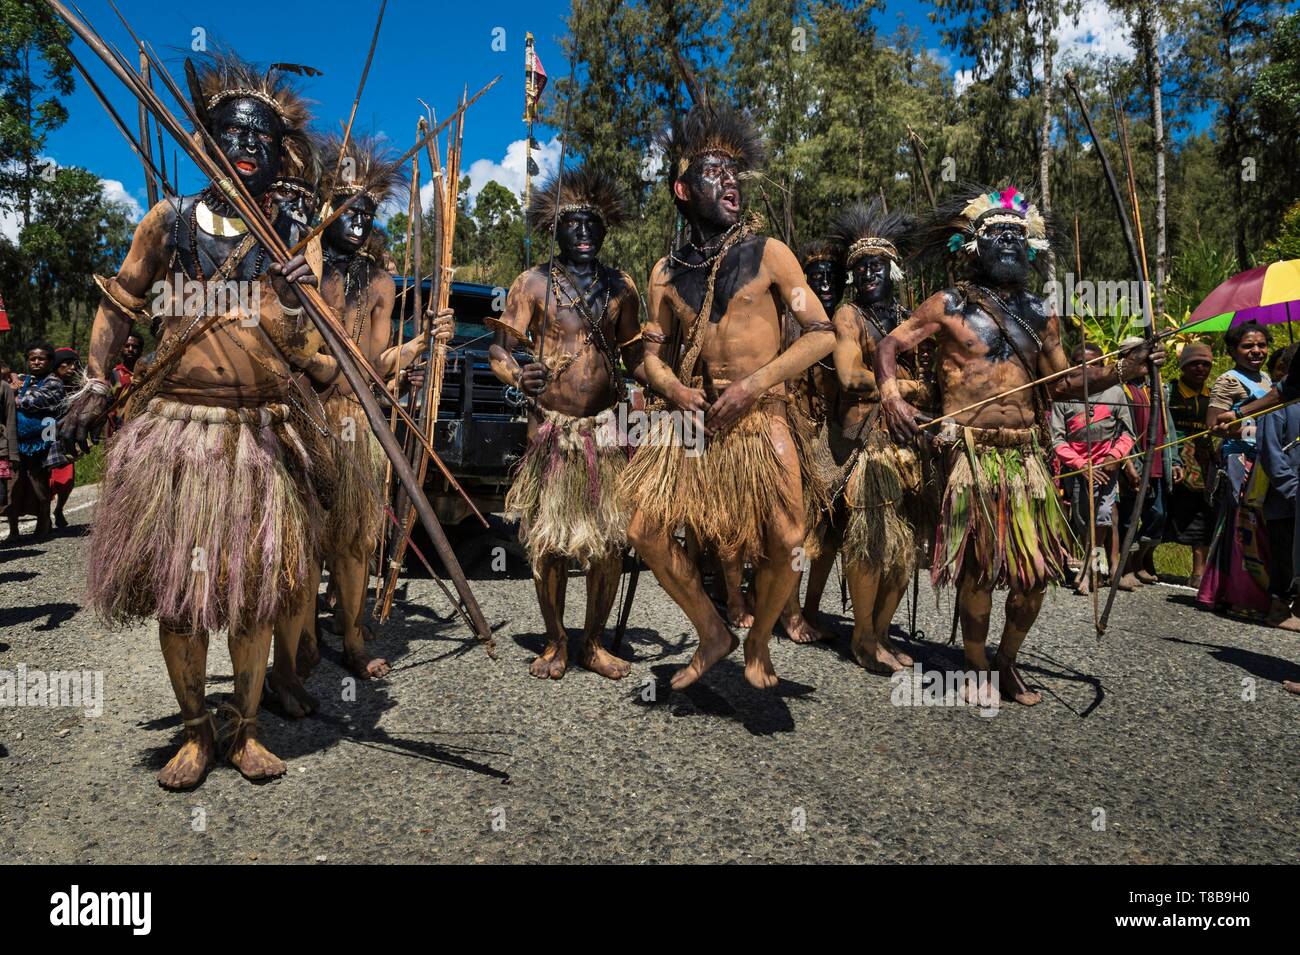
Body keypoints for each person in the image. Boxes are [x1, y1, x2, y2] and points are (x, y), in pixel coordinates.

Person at [61, 51, 325, 789]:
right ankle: (192, 731)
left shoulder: (291, 240)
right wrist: (92, 379)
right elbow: (121, 303)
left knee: (253, 593)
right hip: (178, 434)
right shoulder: (168, 221)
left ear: (281, 156)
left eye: (262, 141)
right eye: (233, 137)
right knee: (181, 595)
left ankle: (245, 729)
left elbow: (310, 351)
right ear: (207, 144)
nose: (246, 149)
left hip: (256, 436)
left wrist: (296, 296)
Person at [877, 184, 1162, 706]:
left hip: (1027, 456)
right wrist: (891, 393)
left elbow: (1060, 384)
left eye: (1015, 234)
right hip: (970, 455)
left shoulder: (1043, 313)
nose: (1006, 242)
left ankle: (1007, 660)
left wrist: (1121, 368)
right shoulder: (946, 305)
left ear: (1029, 246)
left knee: (1032, 577)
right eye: (995, 234)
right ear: (972, 245)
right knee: (982, 569)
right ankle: (976, 665)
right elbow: (890, 343)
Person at [622, 105, 835, 690]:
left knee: (790, 538)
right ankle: (713, 631)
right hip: (694, 425)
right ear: (683, 189)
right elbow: (650, 357)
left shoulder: (770, 253)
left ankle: (760, 638)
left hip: (760, 415)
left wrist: (755, 384)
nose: (731, 182)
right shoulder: (665, 272)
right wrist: (670, 387)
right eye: (714, 174)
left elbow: (822, 334)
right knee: (642, 530)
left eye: (735, 174)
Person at [277, 133, 443, 703]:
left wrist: (420, 344)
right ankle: (296, 647)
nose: (359, 220)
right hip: (299, 417)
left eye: (368, 213)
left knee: (351, 543)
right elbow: (285, 344)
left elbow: (376, 364)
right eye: (349, 208)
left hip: (355, 423)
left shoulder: (379, 283)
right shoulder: (299, 268)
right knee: (299, 540)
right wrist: (323, 364)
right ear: (328, 212)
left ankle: (349, 637)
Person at [488, 165, 643, 680]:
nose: (582, 232)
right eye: (571, 224)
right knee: (549, 543)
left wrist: (666, 377)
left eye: (591, 225)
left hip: (604, 432)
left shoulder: (622, 286)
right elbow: (499, 349)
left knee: (607, 545)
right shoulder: (532, 283)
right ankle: (556, 642)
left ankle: (593, 644)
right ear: (555, 229)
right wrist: (519, 377)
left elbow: (635, 357)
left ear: (604, 231)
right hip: (550, 432)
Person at [822, 199, 927, 671]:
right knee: (869, 541)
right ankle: (861, 639)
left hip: (910, 442)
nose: (868, 274)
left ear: (892, 269)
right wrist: (902, 387)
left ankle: (881, 632)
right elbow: (848, 376)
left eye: (876, 265)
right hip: (866, 443)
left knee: (905, 549)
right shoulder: (848, 316)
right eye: (860, 267)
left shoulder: (909, 318)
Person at [1198, 322, 1273, 616]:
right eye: (1247, 346)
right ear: (1232, 350)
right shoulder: (1229, 381)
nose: (1256, 351)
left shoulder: (1267, 378)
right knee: (1242, 527)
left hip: (1264, 460)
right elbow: (1214, 426)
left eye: (1262, 345)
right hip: (1240, 460)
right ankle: (1237, 595)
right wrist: (1257, 432)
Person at [1049, 342, 1135, 596]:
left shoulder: (1116, 392)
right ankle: (1090, 567)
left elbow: (1128, 434)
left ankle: (1090, 571)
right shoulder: (1063, 393)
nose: (1088, 369)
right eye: (1080, 364)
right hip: (1077, 469)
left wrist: (1114, 456)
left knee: (1102, 519)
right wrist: (1080, 465)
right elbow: (1058, 439)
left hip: (1106, 469)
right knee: (1084, 521)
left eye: (1095, 364)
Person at [1116, 336, 1171, 590]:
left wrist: (1176, 458)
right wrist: (1128, 465)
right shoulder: (1119, 390)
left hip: (1158, 461)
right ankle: (1124, 566)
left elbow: (1167, 425)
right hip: (1134, 463)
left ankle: (1140, 558)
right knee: (1128, 518)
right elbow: (1117, 431)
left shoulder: (1156, 388)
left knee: (1157, 514)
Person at [1164, 342, 1215, 588]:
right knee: (1162, 512)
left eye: (1206, 364)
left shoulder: (1214, 395)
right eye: (1194, 363)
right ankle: (1142, 561)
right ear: (1183, 366)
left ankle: (1198, 571)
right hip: (1170, 459)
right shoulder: (1167, 392)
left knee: (1202, 513)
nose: (1200, 368)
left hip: (1203, 465)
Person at [1257, 343, 1300, 629]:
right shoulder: (1278, 405)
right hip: (1286, 498)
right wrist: (1293, 489)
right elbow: (1272, 454)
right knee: (1285, 555)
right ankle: (1280, 606)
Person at [7, 343, 66, 541]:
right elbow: (7, 376)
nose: (37, 362)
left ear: (50, 362)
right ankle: (13, 530)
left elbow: (33, 401)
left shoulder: (54, 383)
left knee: (38, 480)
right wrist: (14, 380)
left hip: (44, 439)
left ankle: (44, 522)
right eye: (33, 359)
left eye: (41, 359)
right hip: (19, 439)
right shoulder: (24, 380)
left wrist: (13, 395)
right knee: (14, 483)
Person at [49, 348, 81, 528]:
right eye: (66, 364)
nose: (71, 368)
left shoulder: (78, 388)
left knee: (66, 479)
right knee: (45, 479)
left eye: (75, 364)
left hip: (66, 439)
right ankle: (43, 516)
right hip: (46, 436)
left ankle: (59, 509)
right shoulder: (46, 384)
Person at [106, 330, 145, 434]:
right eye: (127, 346)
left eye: (134, 346)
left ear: (141, 350)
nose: (130, 349)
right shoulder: (114, 374)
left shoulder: (147, 374)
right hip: (118, 426)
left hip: (141, 424)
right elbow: (108, 406)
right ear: (121, 349)